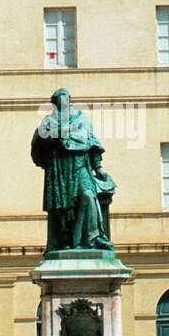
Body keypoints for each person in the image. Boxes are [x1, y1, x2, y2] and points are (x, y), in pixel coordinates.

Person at [30, 88, 116, 251]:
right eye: (60, 99)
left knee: (88, 196)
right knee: (62, 209)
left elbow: (92, 142)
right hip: (60, 169)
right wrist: (51, 138)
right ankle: (65, 241)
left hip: (80, 166)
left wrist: (98, 168)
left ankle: (93, 237)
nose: (64, 102)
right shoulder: (48, 122)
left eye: (66, 98)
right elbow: (38, 146)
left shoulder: (81, 118)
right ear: (55, 103)